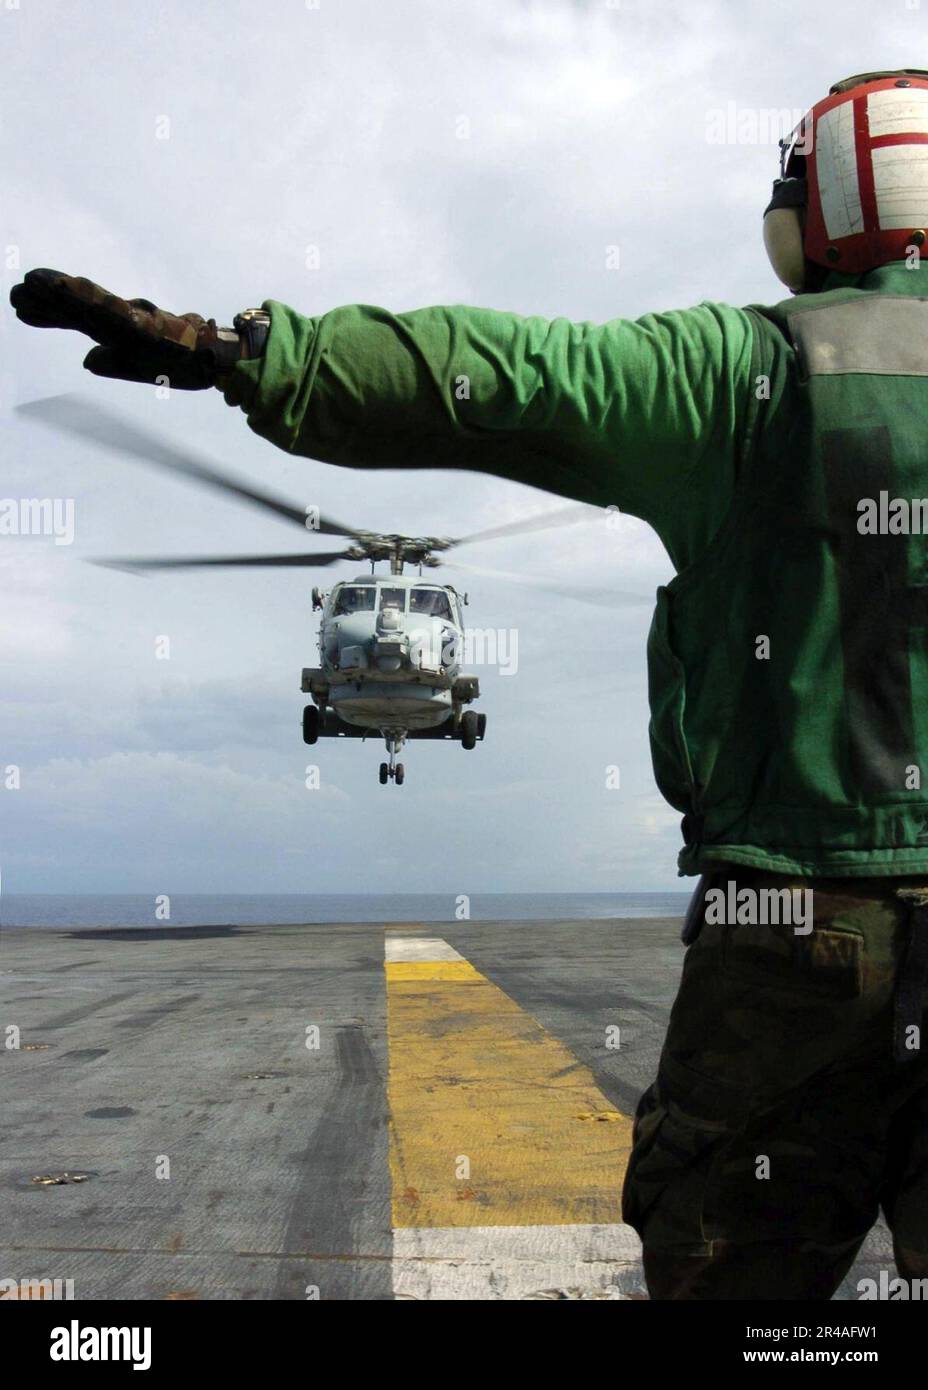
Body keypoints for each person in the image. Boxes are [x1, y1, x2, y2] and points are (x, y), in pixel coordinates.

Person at [11, 68, 928, 1300]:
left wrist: (243, 353)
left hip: (790, 928)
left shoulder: (746, 371)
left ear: (810, 216)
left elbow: (505, 371)